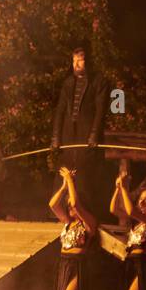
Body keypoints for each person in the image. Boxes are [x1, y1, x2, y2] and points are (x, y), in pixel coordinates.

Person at [50, 167, 99, 290]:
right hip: (64, 265)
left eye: (72, 205)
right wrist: (63, 185)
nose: (69, 207)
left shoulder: (89, 223)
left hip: (78, 267)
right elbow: (52, 204)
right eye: (68, 206)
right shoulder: (67, 222)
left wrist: (71, 181)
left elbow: (76, 203)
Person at [50, 45, 107, 213]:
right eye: (74, 60)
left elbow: (100, 110)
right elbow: (60, 110)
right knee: (64, 170)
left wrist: (94, 134)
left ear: (87, 61)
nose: (76, 64)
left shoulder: (99, 82)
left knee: (83, 173)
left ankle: (84, 211)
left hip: (86, 133)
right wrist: (55, 137)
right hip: (69, 134)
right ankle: (60, 209)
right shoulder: (68, 83)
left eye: (80, 60)